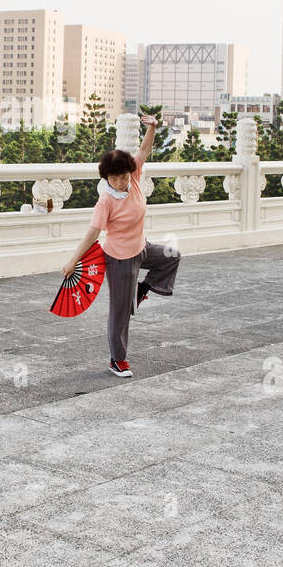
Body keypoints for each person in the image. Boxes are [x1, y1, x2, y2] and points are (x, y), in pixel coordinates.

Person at [61, 113, 179, 378]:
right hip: (120, 259)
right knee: (120, 313)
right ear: (107, 178)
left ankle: (142, 289)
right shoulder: (106, 202)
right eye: (114, 178)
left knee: (172, 257)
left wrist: (153, 127)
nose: (120, 182)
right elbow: (92, 233)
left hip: (142, 247)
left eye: (123, 176)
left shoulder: (134, 178)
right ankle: (118, 360)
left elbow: (145, 150)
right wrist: (72, 261)